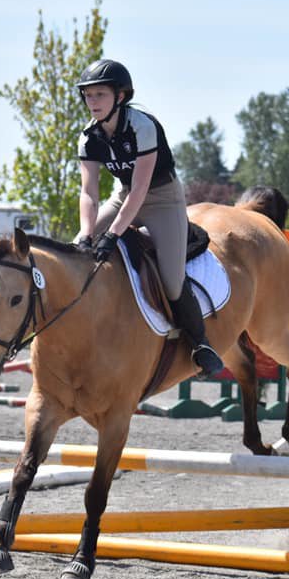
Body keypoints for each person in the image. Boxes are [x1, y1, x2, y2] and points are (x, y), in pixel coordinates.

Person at [74, 58, 224, 377]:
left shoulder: (142, 126)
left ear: (120, 96)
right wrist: (87, 234)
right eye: (88, 96)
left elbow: (142, 189)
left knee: (171, 281)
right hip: (123, 195)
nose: (92, 102)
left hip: (163, 199)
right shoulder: (88, 137)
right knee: (76, 251)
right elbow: (89, 193)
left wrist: (112, 235)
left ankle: (200, 342)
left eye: (100, 95)